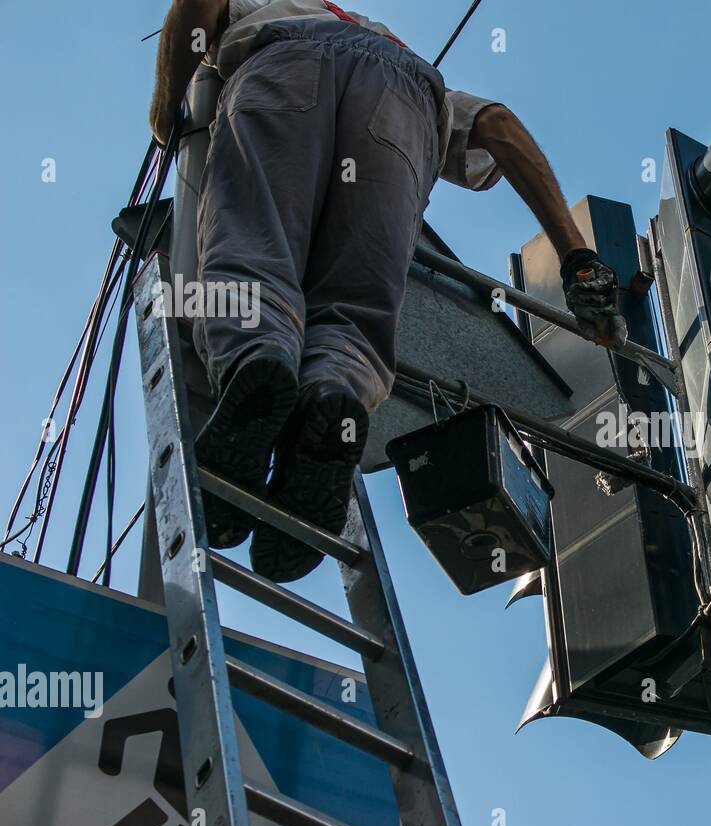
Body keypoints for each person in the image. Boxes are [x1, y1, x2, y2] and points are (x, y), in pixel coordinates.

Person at [148, 0, 625, 581]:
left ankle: (258, 357)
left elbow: (197, 4)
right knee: (354, 311)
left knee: (253, 249)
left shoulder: (267, 6)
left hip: (283, 65)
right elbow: (500, 126)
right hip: (406, 106)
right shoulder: (388, 46)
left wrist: (167, 111)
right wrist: (578, 259)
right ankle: (334, 391)